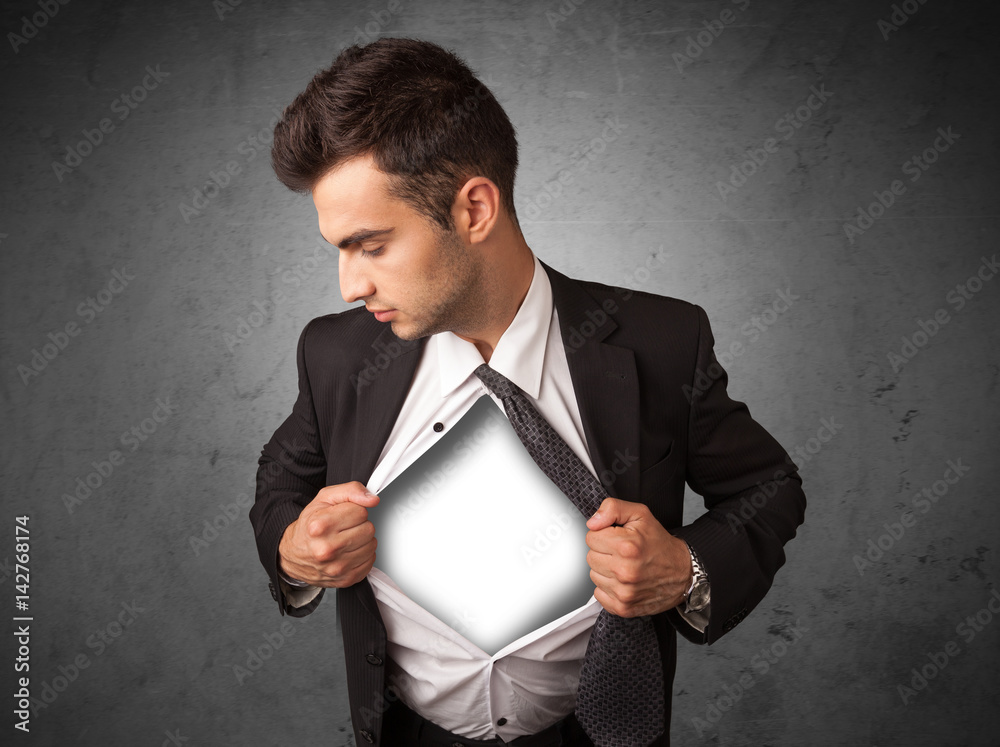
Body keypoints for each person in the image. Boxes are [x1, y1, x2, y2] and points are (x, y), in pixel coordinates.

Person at [250, 37, 806, 747]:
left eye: (373, 245)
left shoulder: (665, 342)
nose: (349, 286)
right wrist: (294, 550)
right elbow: (281, 482)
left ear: (474, 209)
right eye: (339, 249)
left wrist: (686, 569)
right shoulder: (334, 354)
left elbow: (769, 487)